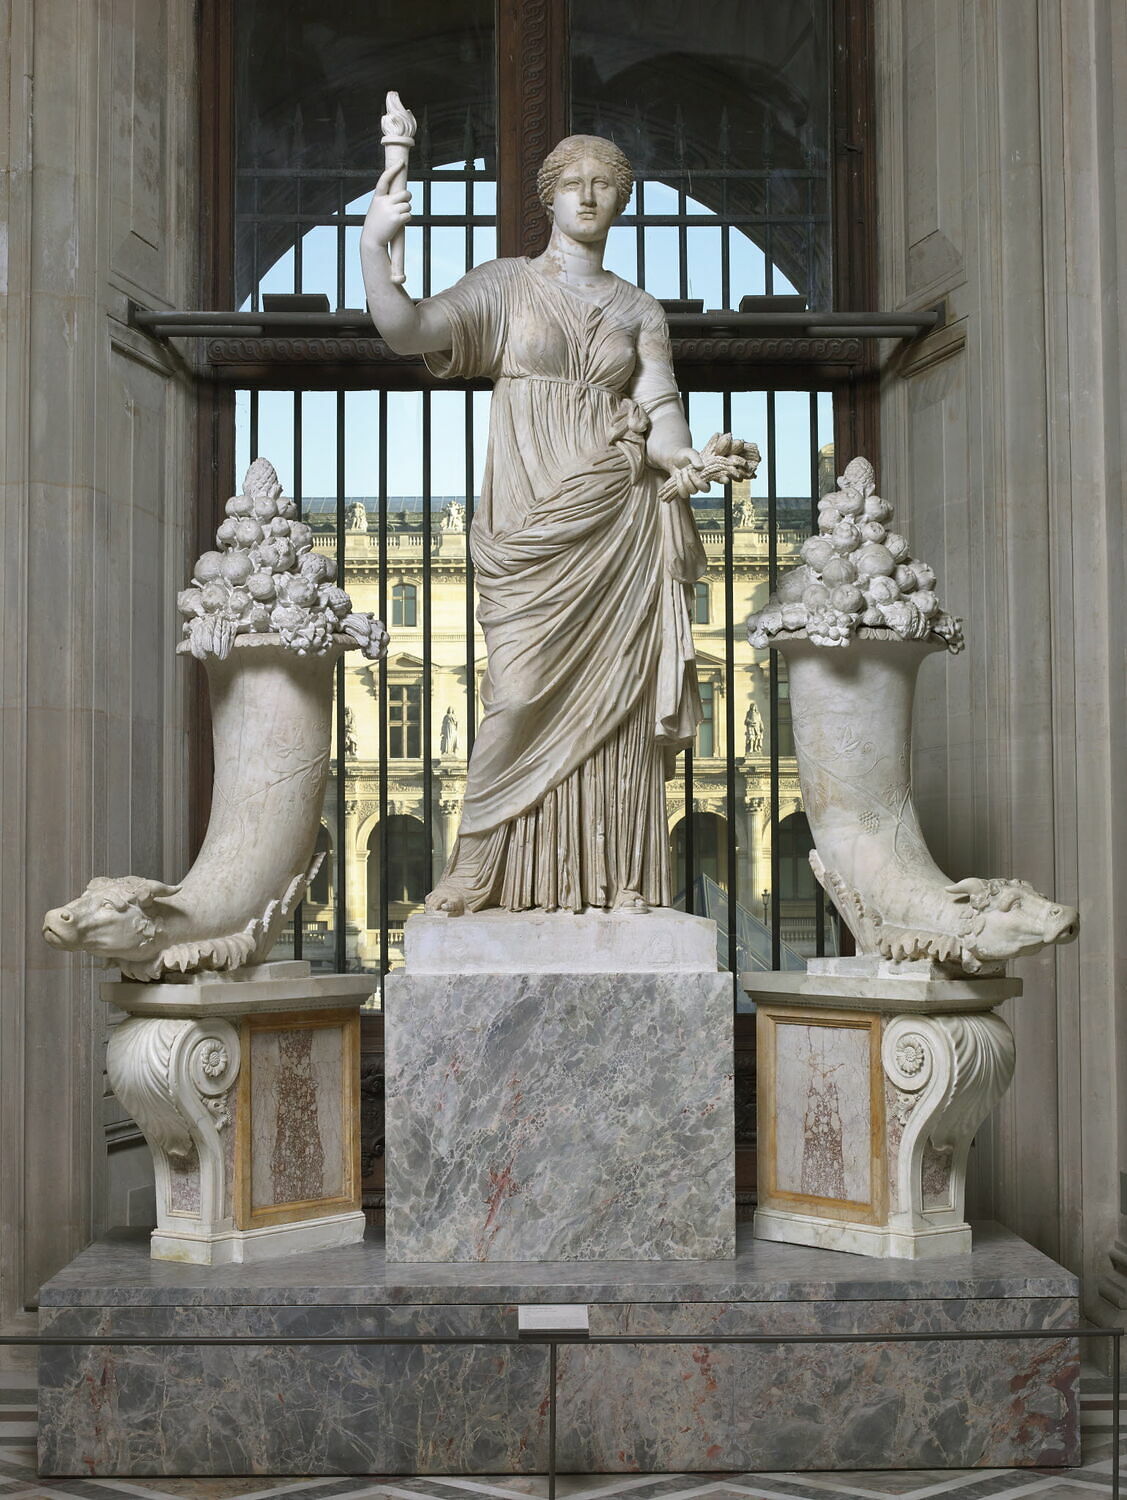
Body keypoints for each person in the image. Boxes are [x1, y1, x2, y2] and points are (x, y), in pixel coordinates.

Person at [360, 134, 712, 915]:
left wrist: (691, 462)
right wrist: (374, 245)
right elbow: (408, 330)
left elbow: (661, 414)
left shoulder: (638, 309)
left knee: (614, 708)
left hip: (616, 519)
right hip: (529, 526)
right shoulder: (505, 286)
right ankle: (477, 869)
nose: (588, 197)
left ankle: (617, 881)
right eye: (572, 184)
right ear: (547, 197)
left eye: (605, 185)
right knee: (516, 695)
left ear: (622, 200)